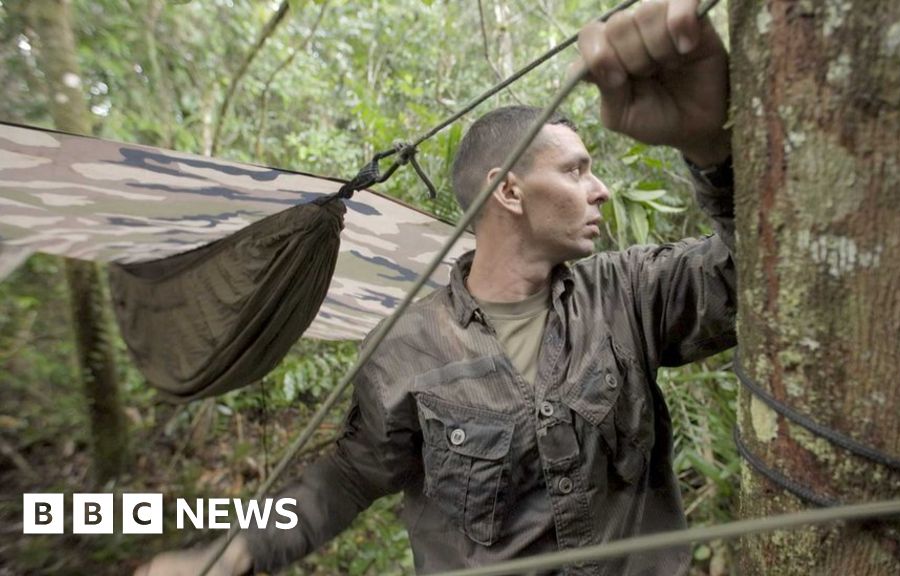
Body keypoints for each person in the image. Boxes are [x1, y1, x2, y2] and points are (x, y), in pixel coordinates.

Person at [135, 0, 733, 573]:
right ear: (509, 191)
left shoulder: (630, 292)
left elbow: (747, 279)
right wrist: (237, 552)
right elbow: (347, 477)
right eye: (576, 169)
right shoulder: (406, 347)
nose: (599, 189)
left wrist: (709, 148)